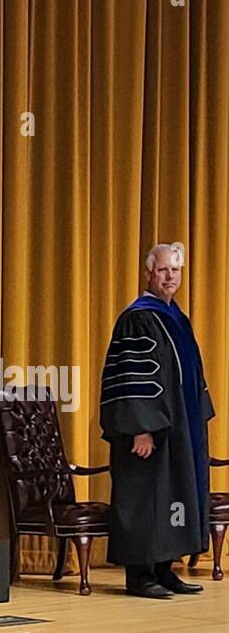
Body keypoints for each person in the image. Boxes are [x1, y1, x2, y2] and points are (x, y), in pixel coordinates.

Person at [100, 243, 215, 598]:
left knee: (175, 497)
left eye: (175, 271)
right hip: (150, 431)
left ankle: (165, 569)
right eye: (163, 270)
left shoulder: (177, 318)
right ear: (148, 273)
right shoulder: (137, 317)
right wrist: (140, 427)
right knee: (146, 498)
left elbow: (191, 372)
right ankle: (139, 576)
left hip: (180, 429)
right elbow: (132, 376)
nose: (169, 277)